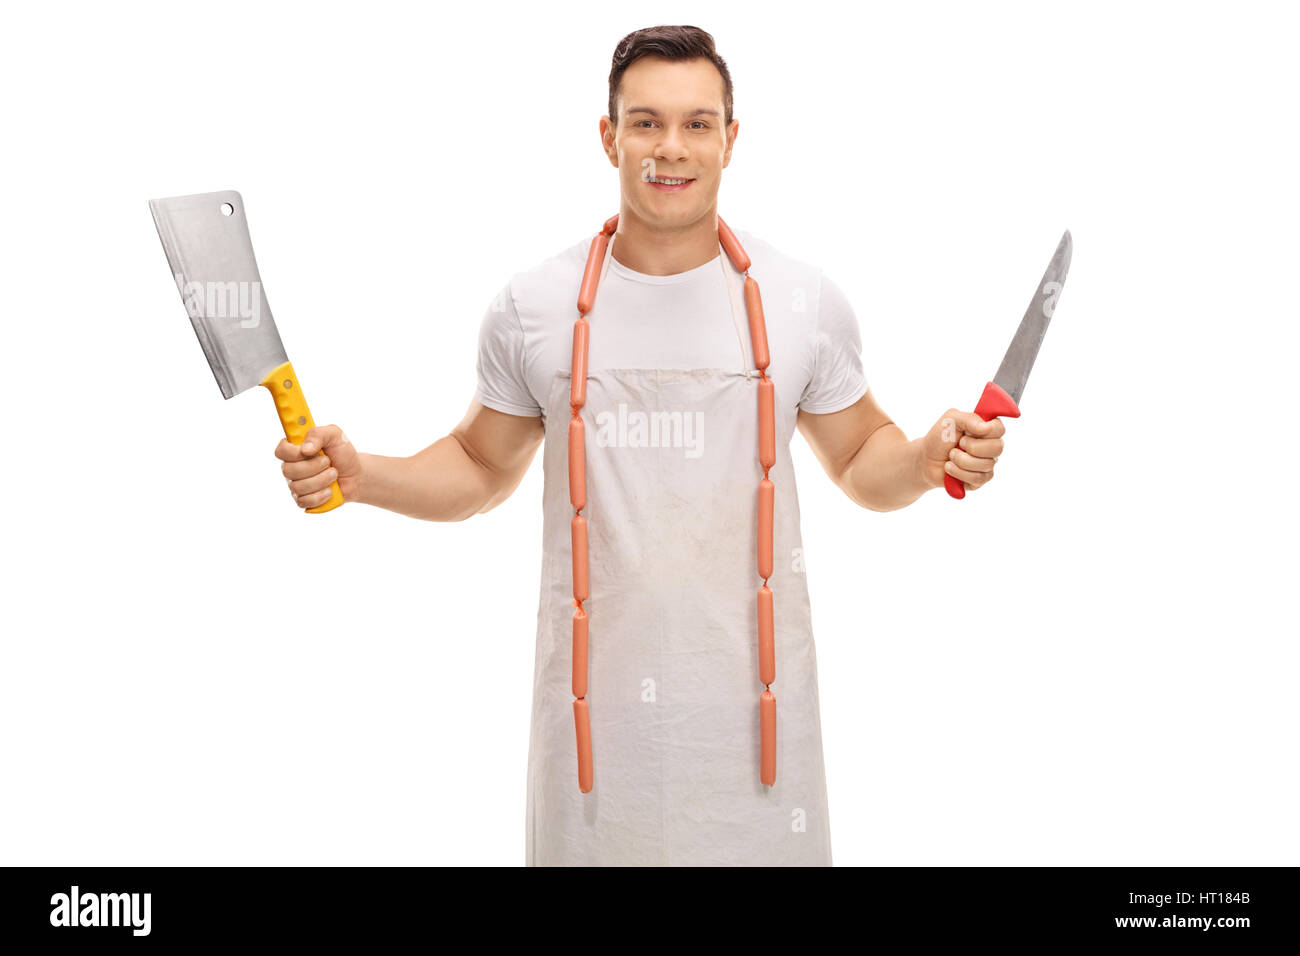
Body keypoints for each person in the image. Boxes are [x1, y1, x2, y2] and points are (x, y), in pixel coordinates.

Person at [274, 25, 1005, 866]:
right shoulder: (534, 306)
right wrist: (363, 476)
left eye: (698, 123)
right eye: (647, 121)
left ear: (732, 140)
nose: (672, 147)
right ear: (608, 135)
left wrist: (924, 458)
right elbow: (478, 468)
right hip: (594, 741)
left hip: (758, 732)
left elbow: (858, 458)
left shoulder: (803, 301)